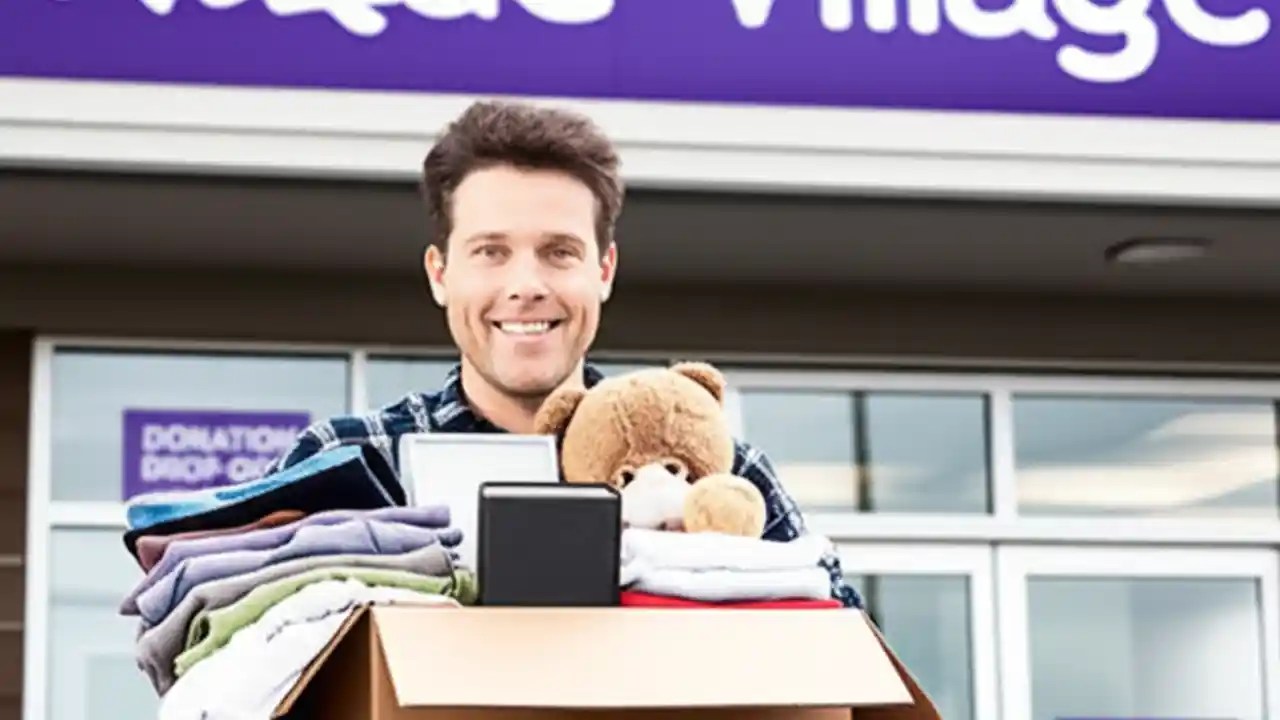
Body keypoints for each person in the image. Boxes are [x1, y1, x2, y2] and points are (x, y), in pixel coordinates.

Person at [263, 99, 862, 609]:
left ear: (604, 270)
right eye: (491, 252)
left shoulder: (716, 470)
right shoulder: (346, 466)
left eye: (559, 252)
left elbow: (847, 662)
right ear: (440, 274)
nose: (526, 285)